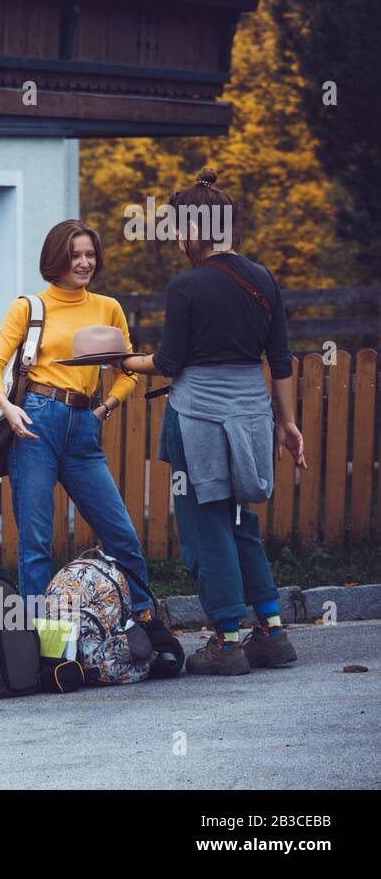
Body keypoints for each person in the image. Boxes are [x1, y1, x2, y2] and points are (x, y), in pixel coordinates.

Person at [121, 169, 307, 676]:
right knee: (242, 520)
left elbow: (168, 364)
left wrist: (124, 362)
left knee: (206, 526)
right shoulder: (264, 278)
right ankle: (271, 632)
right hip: (251, 417)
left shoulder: (185, 287)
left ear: (194, 229)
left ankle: (226, 641)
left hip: (198, 417)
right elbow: (282, 359)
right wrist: (288, 424)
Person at [0, 218, 155, 623]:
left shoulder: (108, 308)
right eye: (75, 255)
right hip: (35, 422)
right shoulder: (29, 307)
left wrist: (106, 407)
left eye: (90, 255)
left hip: (84, 425)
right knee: (37, 540)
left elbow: (126, 369)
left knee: (121, 533)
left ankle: (145, 622)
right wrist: (7, 407)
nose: (83, 263)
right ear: (56, 258)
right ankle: (41, 639)